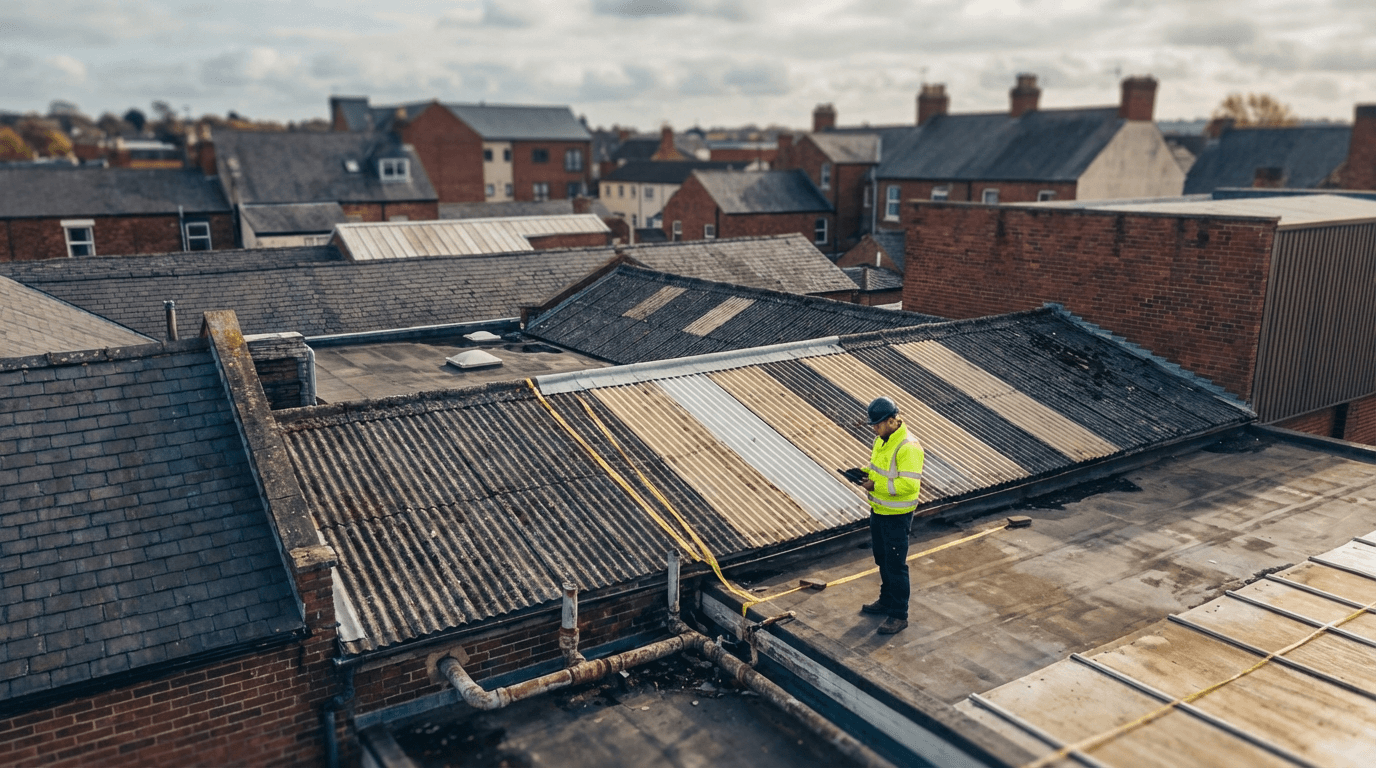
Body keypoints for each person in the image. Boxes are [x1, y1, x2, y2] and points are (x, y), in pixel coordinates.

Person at [859, 396, 924, 634]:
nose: (874, 429)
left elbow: (908, 485)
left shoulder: (908, 447)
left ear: (891, 420)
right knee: (882, 559)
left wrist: (875, 486)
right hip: (879, 510)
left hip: (897, 516)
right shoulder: (881, 440)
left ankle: (898, 615)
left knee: (896, 566)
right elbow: (879, 470)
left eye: (877, 424)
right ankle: (886, 600)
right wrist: (863, 474)